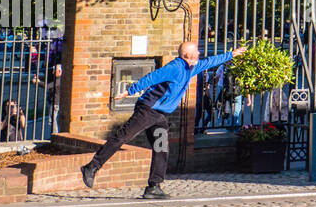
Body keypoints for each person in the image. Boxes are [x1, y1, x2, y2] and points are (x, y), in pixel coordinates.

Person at [81, 41, 246, 198]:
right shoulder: (174, 68)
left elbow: (210, 61)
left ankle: (154, 186)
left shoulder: (191, 68)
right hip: (148, 110)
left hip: (160, 116)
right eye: (196, 51)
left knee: (161, 148)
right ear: (188, 55)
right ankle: (91, 167)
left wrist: (232, 54)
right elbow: (151, 78)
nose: (199, 53)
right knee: (122, 136)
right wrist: (129, 91)